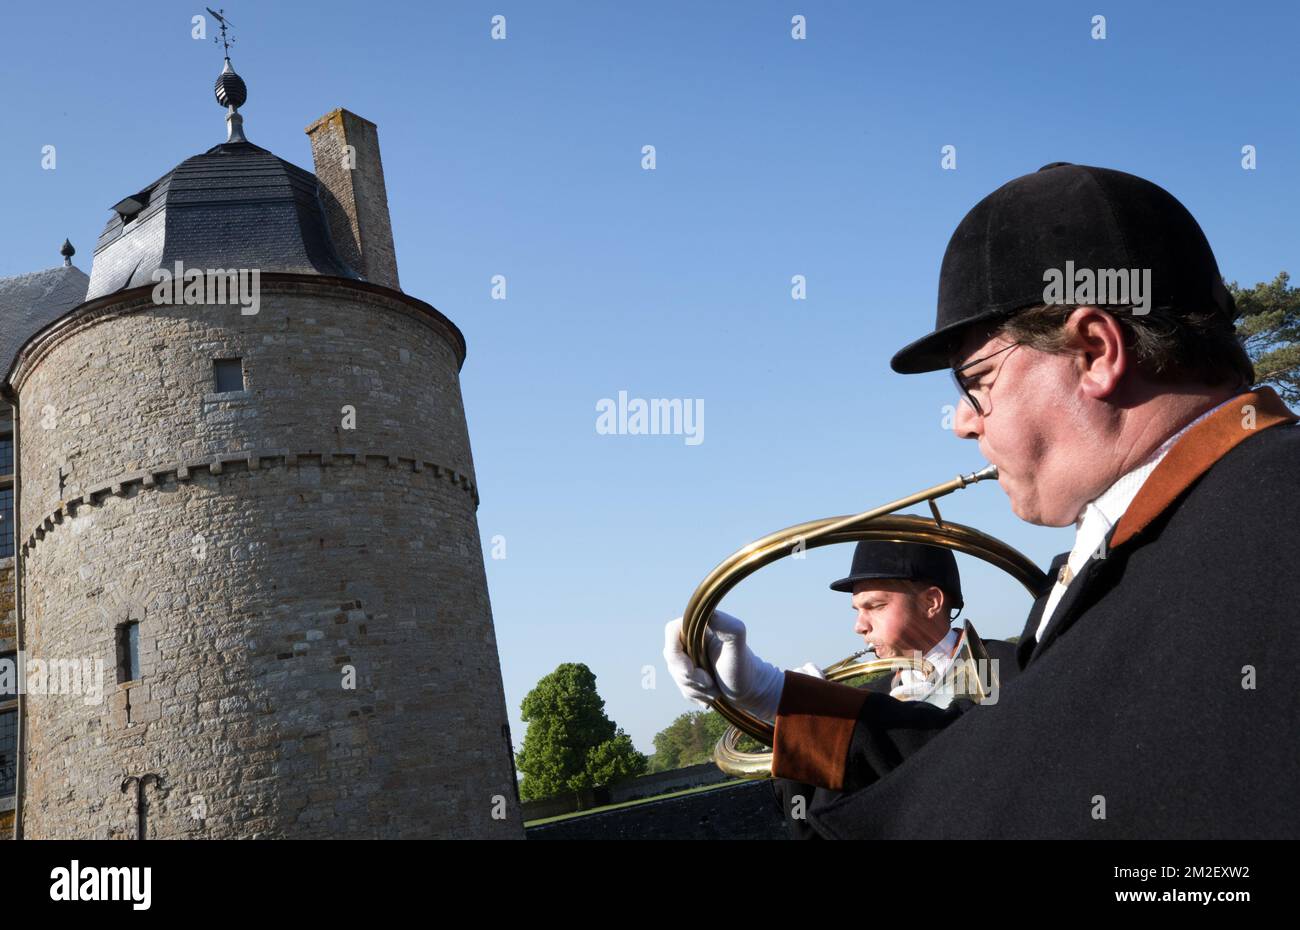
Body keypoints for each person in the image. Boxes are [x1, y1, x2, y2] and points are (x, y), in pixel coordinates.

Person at [668, 162, 1300, 838]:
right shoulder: (1167, 533)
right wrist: (770, 695)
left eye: (978, 381)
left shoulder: (1261, 532)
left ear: (1095, 351)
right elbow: (998, 751)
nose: (964, 422)